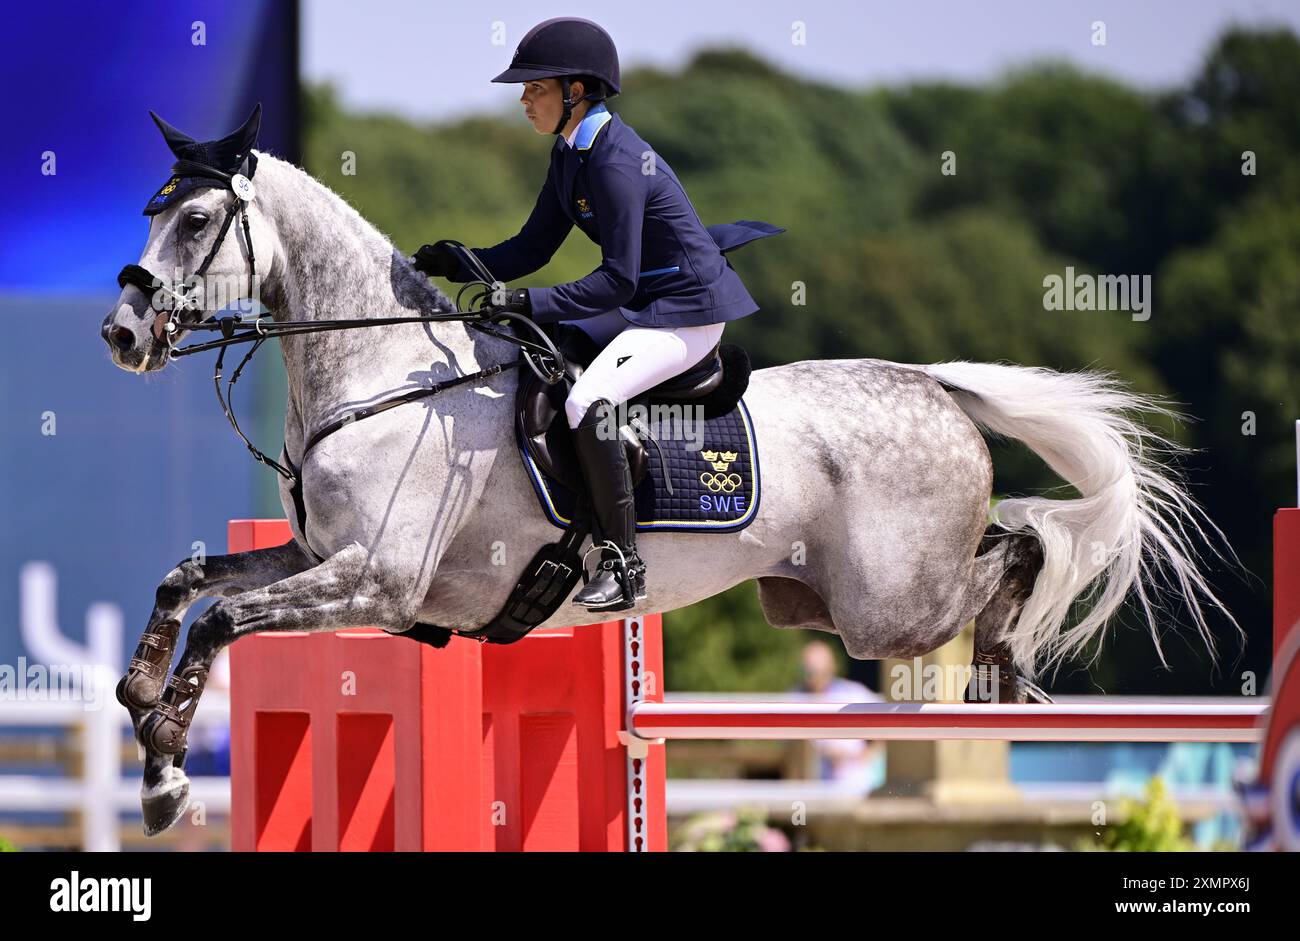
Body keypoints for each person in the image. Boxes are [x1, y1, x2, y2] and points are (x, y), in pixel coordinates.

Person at [414, 17, 778, 612]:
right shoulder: (570, 151)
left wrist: (526, 298)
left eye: (536, 89)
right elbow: (531, 249)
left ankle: (621, 561)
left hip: (682, 313)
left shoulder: (615, 162)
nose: (524, 100)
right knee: (529, 344)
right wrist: (461, 262)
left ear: (575, 92)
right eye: (525, 90)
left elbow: (617, 280)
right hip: (641, 306)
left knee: (588, 402)